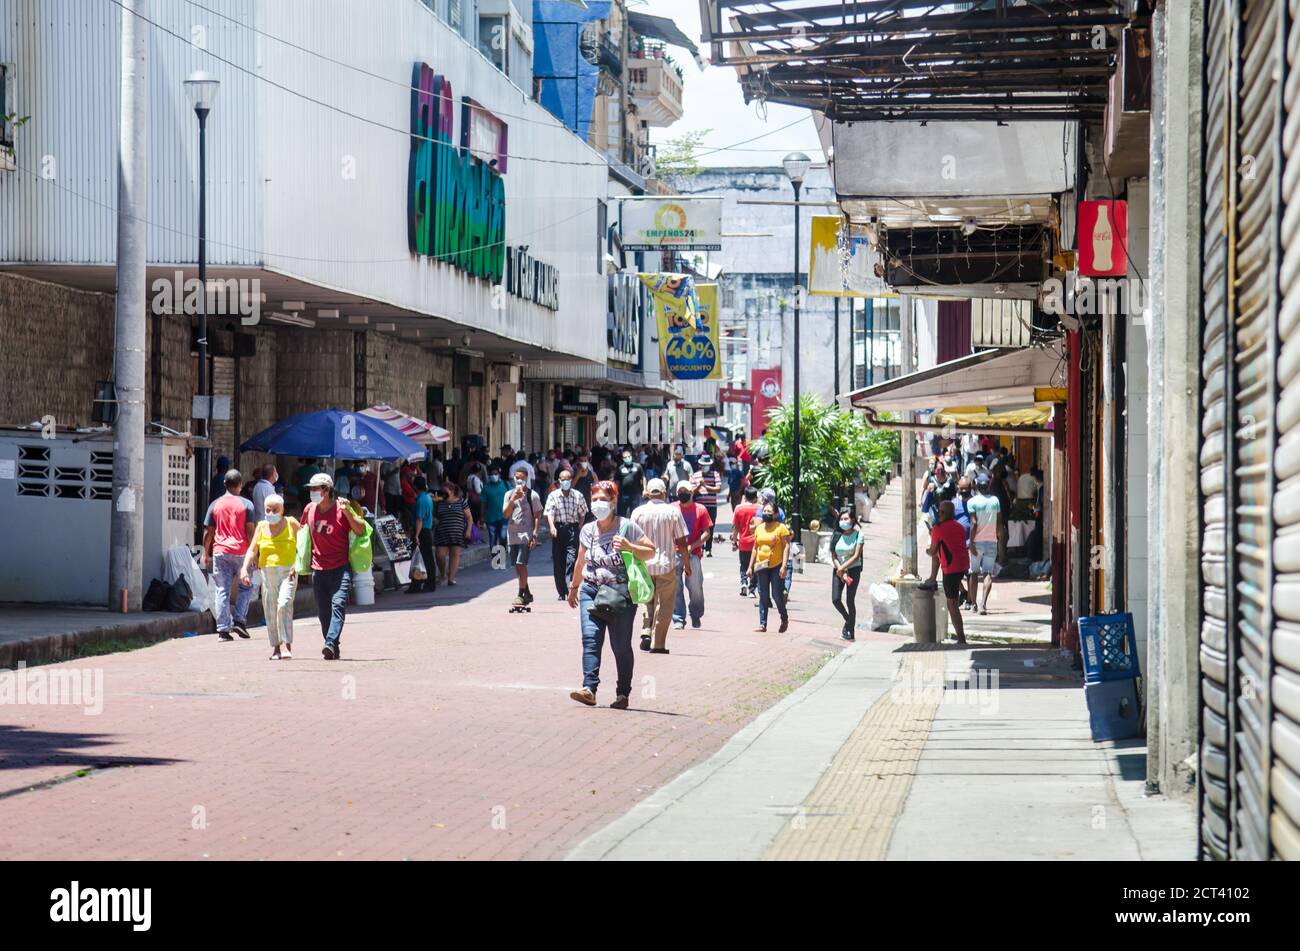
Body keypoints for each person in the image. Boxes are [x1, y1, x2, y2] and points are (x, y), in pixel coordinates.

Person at [567, 482, 657, 709]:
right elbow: (580, 560)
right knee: (590, 639)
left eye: (603, 499)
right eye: (594, 499)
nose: (598, 504)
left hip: (620, 594)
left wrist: (629, 547)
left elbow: (651, 551)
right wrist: (574, 587)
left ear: (614, 501)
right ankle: (589, 688)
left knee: (621, 646)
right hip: (591, 589)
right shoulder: (587, 530)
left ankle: (622, 693)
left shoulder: (627, 527)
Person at [302, 472, 367, 660]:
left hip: (340, 567)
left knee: (337, 604)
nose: (313, 492)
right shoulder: (309, 509)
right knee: (323, 612)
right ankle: (332, 646)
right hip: (319, 568)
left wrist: (348, 512)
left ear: (327, 490)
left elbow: (360, 529)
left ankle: (330, 642)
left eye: (316, 489)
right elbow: (302, 535)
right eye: (311, 489)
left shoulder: (342, 508)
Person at [630, 478, 690, 654]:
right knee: (665, 604)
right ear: (664, 493)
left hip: (643, 563)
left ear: (647, 493)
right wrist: (687, 564)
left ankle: (646, 629)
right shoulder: (673, 512)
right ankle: (658, 643)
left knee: (646, 598)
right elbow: (681, 541)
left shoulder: (638, 512)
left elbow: (631, 539)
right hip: (666, 564)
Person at [239, 493, 300, 660]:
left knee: (284, 604)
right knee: (271, 610)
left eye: (275, 509)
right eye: (268, 510)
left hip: (289, 572)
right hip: (267, 572)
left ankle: (287, 645)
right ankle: (276, 648)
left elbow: (304, 545)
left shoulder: (291, 523)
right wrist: (244, 568)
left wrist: (299, 565)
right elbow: (252, 549)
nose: (271, 513)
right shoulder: (261, 526)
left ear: (282, 510)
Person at [202, 468, 257, 642]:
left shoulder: (215, 504)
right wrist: (254, 553)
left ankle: (223, 630)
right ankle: (240, 620)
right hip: (241, 553)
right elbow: (250, 531)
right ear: (240, 485)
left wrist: (206, 553)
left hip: (220, 552)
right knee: (246, 587)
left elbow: (208, 532)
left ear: (225, 484)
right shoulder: (247, 504)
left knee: (222, 590)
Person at [925, 499, 969, 645]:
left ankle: (961, 638)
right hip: (962, 565)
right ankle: (963, 591)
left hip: (951, 569)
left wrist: (927, 549)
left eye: (941, 511)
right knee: (954, 587)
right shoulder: (960, 527)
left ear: (945, 513)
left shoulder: (938, 529)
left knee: (952, 606)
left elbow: (932, 551)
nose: (938, 513)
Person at [672, 482, 712, 629]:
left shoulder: (701, 509)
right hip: (674, 553)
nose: (683, 494)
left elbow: (706, 533)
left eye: (686, 491)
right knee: (675, 586)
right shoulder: (671, 509)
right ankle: (678, 618)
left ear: (691, 492)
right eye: (680, 491)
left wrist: (691, 546)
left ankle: (695, 614)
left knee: (695, 585)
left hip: (693, 554)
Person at [544, 466, 588, 600]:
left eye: (568, 479)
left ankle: (571, 587)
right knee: (558, 562)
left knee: (572, 559)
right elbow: (550, 513)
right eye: (563, 479)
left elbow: (583, 513)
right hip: (558, 530)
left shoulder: (578, 495)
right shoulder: (553, 495)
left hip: (572, 530)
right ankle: (561, 591)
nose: (566, 481)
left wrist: (579, 527)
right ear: (559, 481)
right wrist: (552, 527)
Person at [748, 501, 792, 633]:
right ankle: (762, 624)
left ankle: (784, 617)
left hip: (776, 565)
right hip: (762, 565)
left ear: (776, 514)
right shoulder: (759, 528)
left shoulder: (781, 528)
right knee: (763, 594)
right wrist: (750, 566)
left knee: (776, 595)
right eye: (764, 511)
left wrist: (784, 566)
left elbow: (786, 547)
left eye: (769, 512)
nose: (766, 514)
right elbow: (755, 548)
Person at [502, 470, 542, 609]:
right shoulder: (508, 494)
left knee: (521, 564)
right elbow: (506, 515)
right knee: (517, 566)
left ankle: (520, 594)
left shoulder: (533, 495)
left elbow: (537, 516)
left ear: (527, 479)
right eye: (517, 478)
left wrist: (535, 534)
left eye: (522, 478)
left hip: (526, 535)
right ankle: (527, 592)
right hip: (512, 535)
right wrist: (513, 499)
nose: (519, 481)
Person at [966, 473, 1001, 614]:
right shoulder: (995, 501)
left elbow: (974, 523)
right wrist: (997, 535)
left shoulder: (972, 502)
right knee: (987, 573)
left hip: (977, 542)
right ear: (988, 485)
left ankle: (974, 604)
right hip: (992, 541)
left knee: (974, 573)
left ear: (976, 485)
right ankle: (983, 605)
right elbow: (999, 522)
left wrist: (972, 542)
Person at [830, 513, 864, 641]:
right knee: (835, 599)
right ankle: (849, 621)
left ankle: (849, 630)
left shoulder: (859, 535)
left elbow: (856, 556)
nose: (843, 521)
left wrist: (842, 568)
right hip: (838, 569)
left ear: (853, 520)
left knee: (850, 600)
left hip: (853, 570)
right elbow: (833, 555)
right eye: (841, 519)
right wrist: (839, 569)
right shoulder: (837, 535)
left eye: (846, 519)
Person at [434, 480, 471, 585]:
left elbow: (469, 518)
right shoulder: (439, 503)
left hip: (457, 533)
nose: (443, 494)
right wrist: (435, 521)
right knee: (439, 555)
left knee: (455, 555)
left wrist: (468, 530)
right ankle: (442, 574)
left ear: (452, 491)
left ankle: (451, 578)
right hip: (442, 533)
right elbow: (435, 517)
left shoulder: (461, 502)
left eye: (445, 491)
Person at [406, 476, 437, 594]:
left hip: (422, 531)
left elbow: (419, 519)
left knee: (424, 559)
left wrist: (417, 535)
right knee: (421, 559)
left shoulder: (421, 500)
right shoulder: (427, 498)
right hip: (426, 530)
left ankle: (426, 584)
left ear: (415, 487)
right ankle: (417, 584)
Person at [731, 485, 760, 596]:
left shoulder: (739, 508)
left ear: (745, 496)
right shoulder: (761, 508)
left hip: (743, 542)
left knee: (743, 565)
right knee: (755, 566)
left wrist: (734, 542)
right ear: (756, 496)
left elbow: (736, 527)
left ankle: (744, 582)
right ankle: (752, 590)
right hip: (756, 542)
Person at [693, 455, 723, 555]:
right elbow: (691, 491)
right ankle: (699, 547)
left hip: (711, 506)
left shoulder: (715, 474)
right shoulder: (695, 475)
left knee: (710, 527)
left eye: (707, 465)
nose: (705, 467)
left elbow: (718, 489)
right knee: (699, 527)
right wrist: (699, 486)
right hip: (699, 506)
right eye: (703, 465)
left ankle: (708, 548)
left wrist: (705, 486)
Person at [481, 465, 509, 550]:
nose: (494, 476)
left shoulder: (505, 484)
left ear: (499, 474)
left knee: (503, 536)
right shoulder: (486, 488)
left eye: (496, 474)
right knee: (493, 538)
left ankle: (502, 551)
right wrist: (481, 516)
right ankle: (495, 557)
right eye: (492, 474)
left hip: (504, 516)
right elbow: (483, 503)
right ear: (489, 476)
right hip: (491, 518)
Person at [615, 448, 646, 517]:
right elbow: (617, 481)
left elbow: (643, 478)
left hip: (635, 494)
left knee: (634, 515)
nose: (627, 458)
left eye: (629, 456)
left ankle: (633, 527)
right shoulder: (620, 468)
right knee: (621, 515)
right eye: (625, 457)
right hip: (623, 495)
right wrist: (615, 493)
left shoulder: (638, 466)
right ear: (623, 459)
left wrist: (645, 489)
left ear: (631, 457)